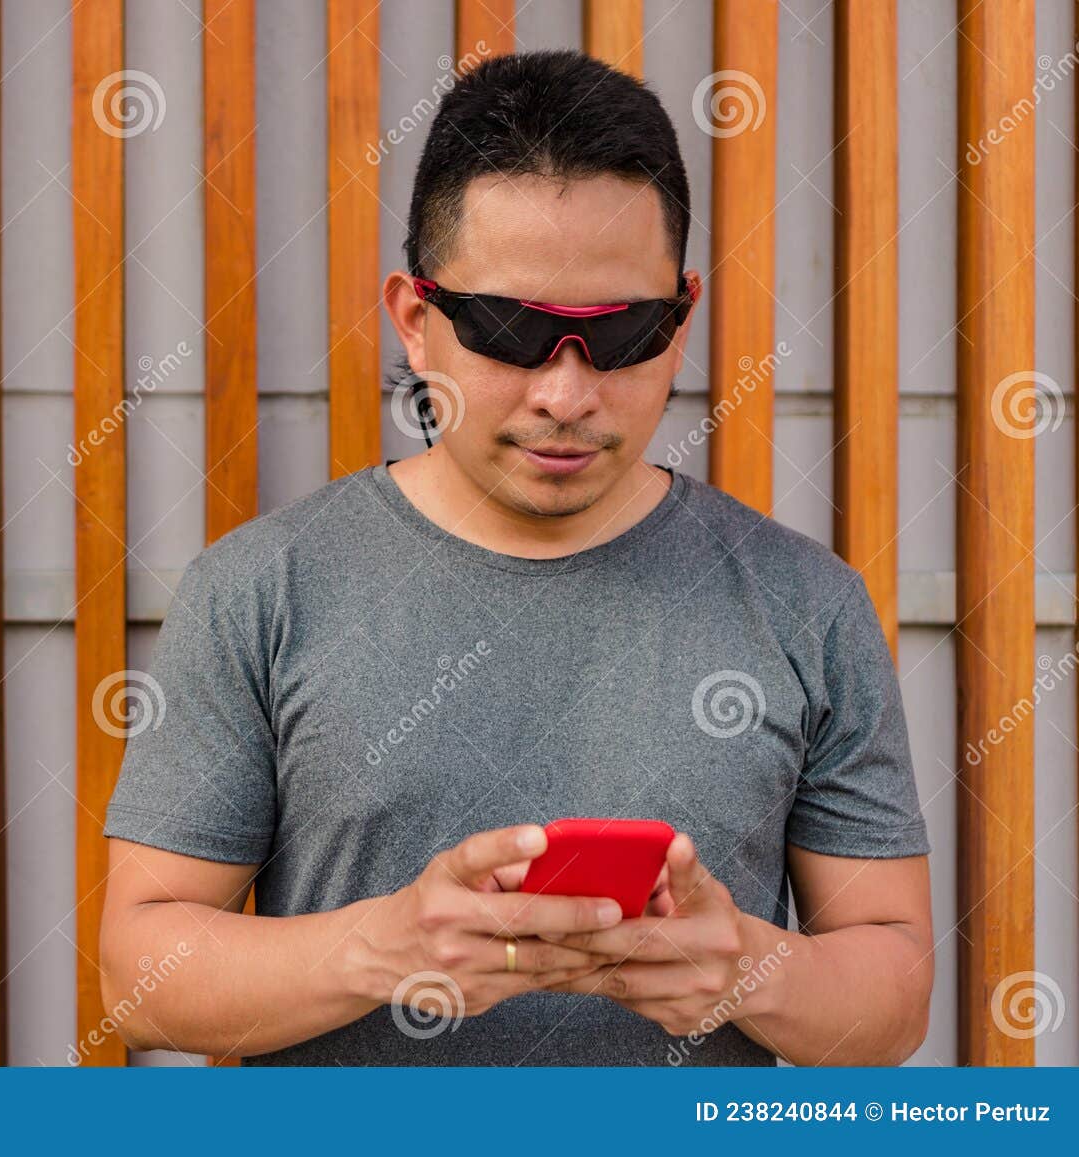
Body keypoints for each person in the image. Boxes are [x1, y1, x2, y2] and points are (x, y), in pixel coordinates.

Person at [98, 48, 932, 1066]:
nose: (565, 395)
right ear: (417, 321)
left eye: (621, 332)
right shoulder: (260, 589)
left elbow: (893, 992)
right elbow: (137, 973)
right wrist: (383, 947)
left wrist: (748, 968)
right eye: (509, 328)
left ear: (680, 324)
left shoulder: (807, 603)